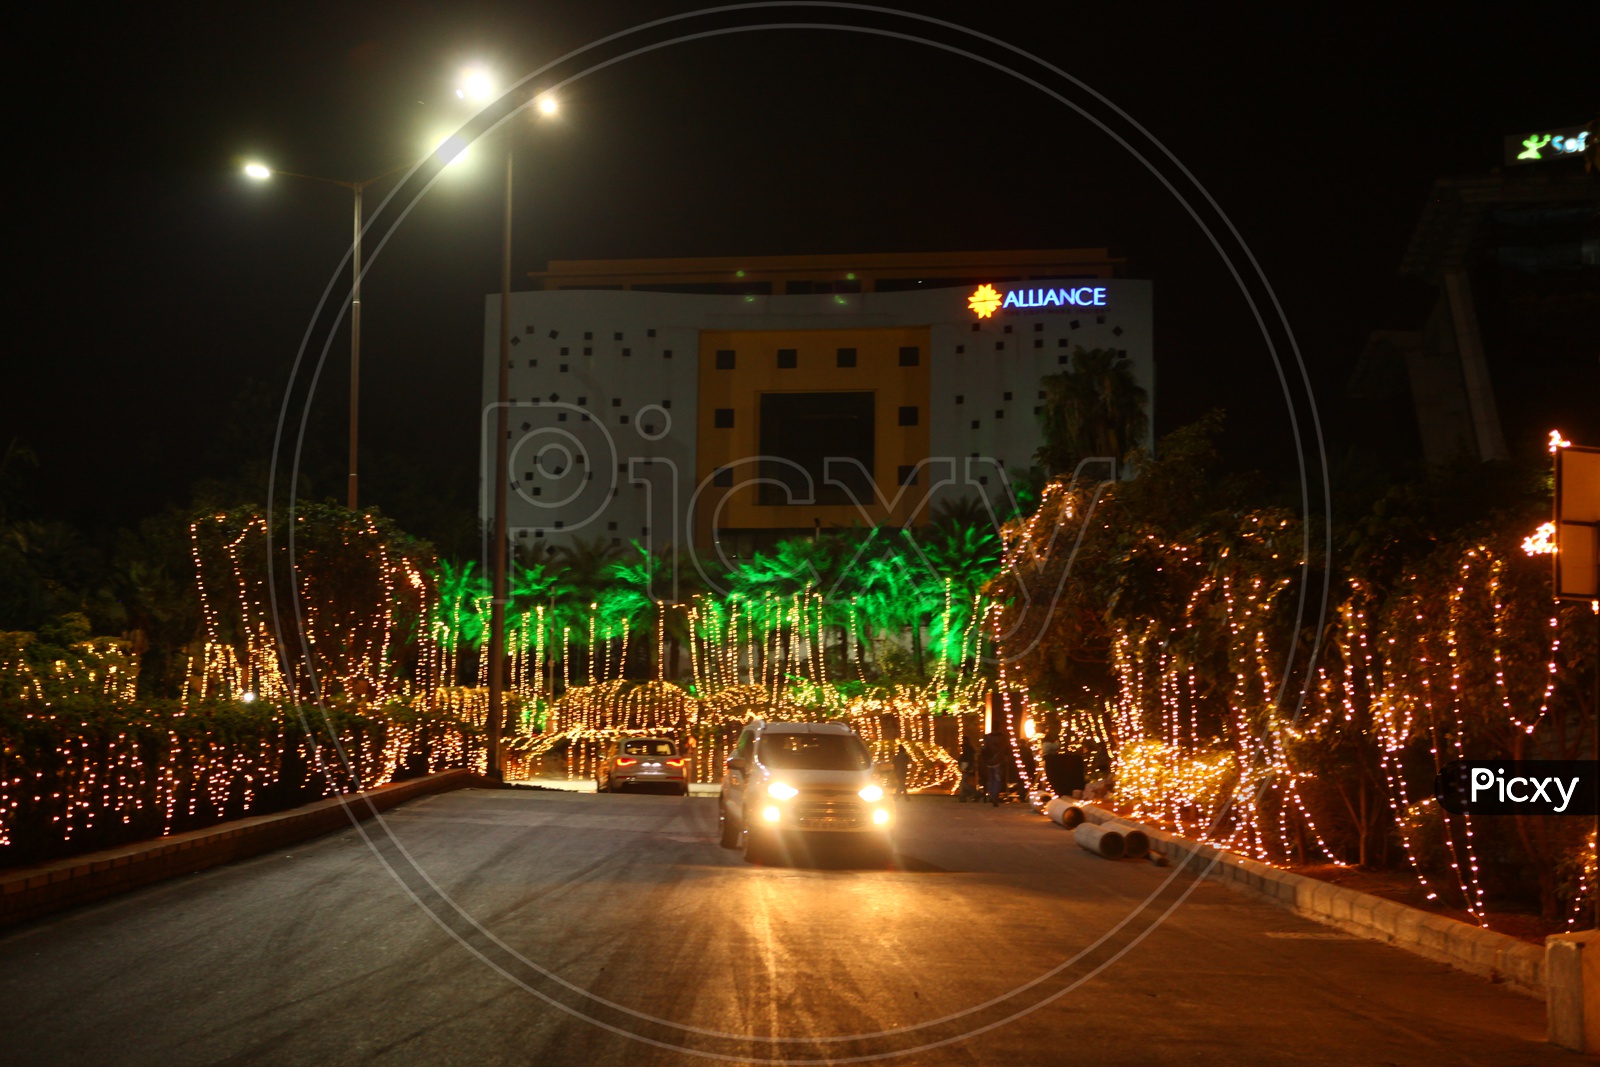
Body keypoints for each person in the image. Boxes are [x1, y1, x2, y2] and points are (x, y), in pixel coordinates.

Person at [980, 729, 1008, 806]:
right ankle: (995, 796)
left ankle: (991, 794)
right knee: (997, 779)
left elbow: (984, 750)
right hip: (998, 761)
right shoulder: (1003, 738)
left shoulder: (987, 738)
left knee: (991, 779)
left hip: (989, 762)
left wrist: (985, 760)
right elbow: (1006, 749)